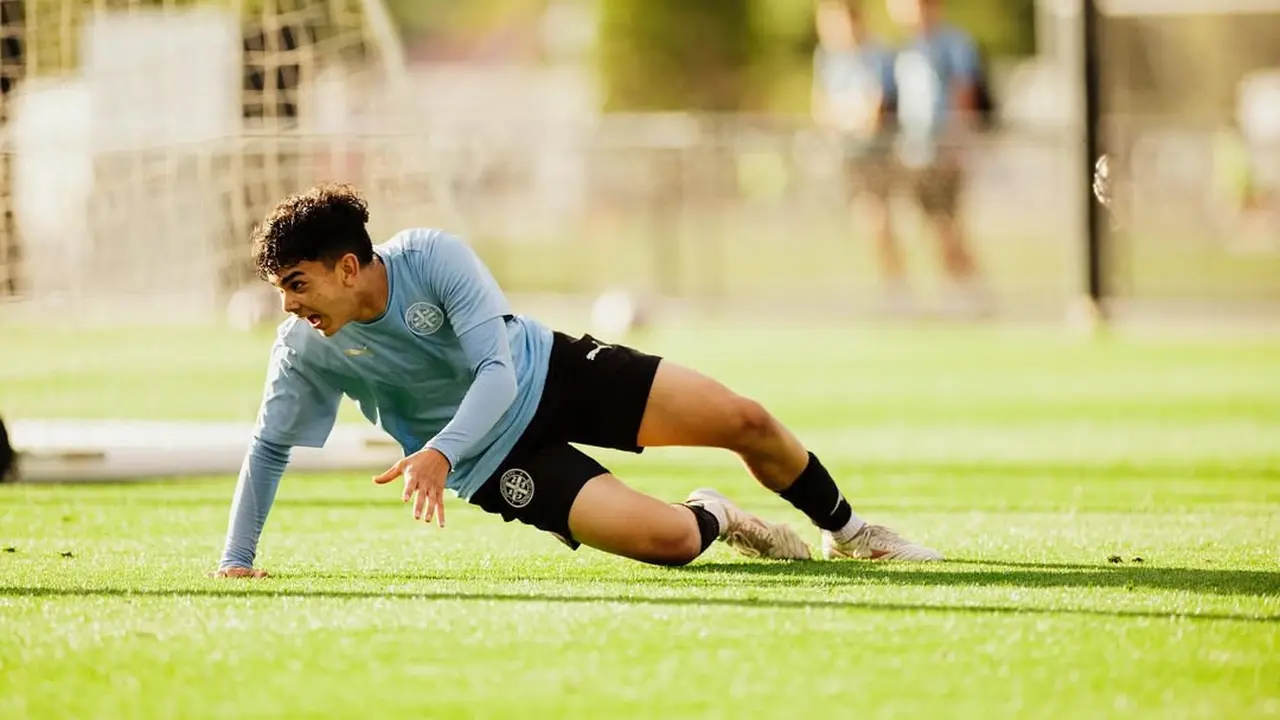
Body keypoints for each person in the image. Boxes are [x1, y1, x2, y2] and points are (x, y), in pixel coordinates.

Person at [213, 184, 941, 578]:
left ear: (347, 266)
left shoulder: (431, 256)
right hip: (496, 462)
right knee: (673, 544)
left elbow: (498, 370)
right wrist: (236, 562)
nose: (290, 306)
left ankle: (851, 533)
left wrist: (435, 451)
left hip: (550, 371)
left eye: (297, 283)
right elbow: (269, 448)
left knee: (742, 419)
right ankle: (724, 515)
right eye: (280, 290)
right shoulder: (304, 347)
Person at [887, 0, 992, 316]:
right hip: (915, 155)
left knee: (947, 227)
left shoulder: (954, 45)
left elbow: (965, 96)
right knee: (923, 228)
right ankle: (942, 295)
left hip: (945, 153)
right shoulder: (905, 51)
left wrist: (955, 143)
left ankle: (972, 294)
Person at [811, 0, 905, 312]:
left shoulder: (876, 55)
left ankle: (898, 289)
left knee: (878, 220)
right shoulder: (826, 58)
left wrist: (850, 119)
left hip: (877, 155)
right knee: (868, 223)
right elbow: (822, 109)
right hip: (847, 156)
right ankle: (892, 287)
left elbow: (874, 113)